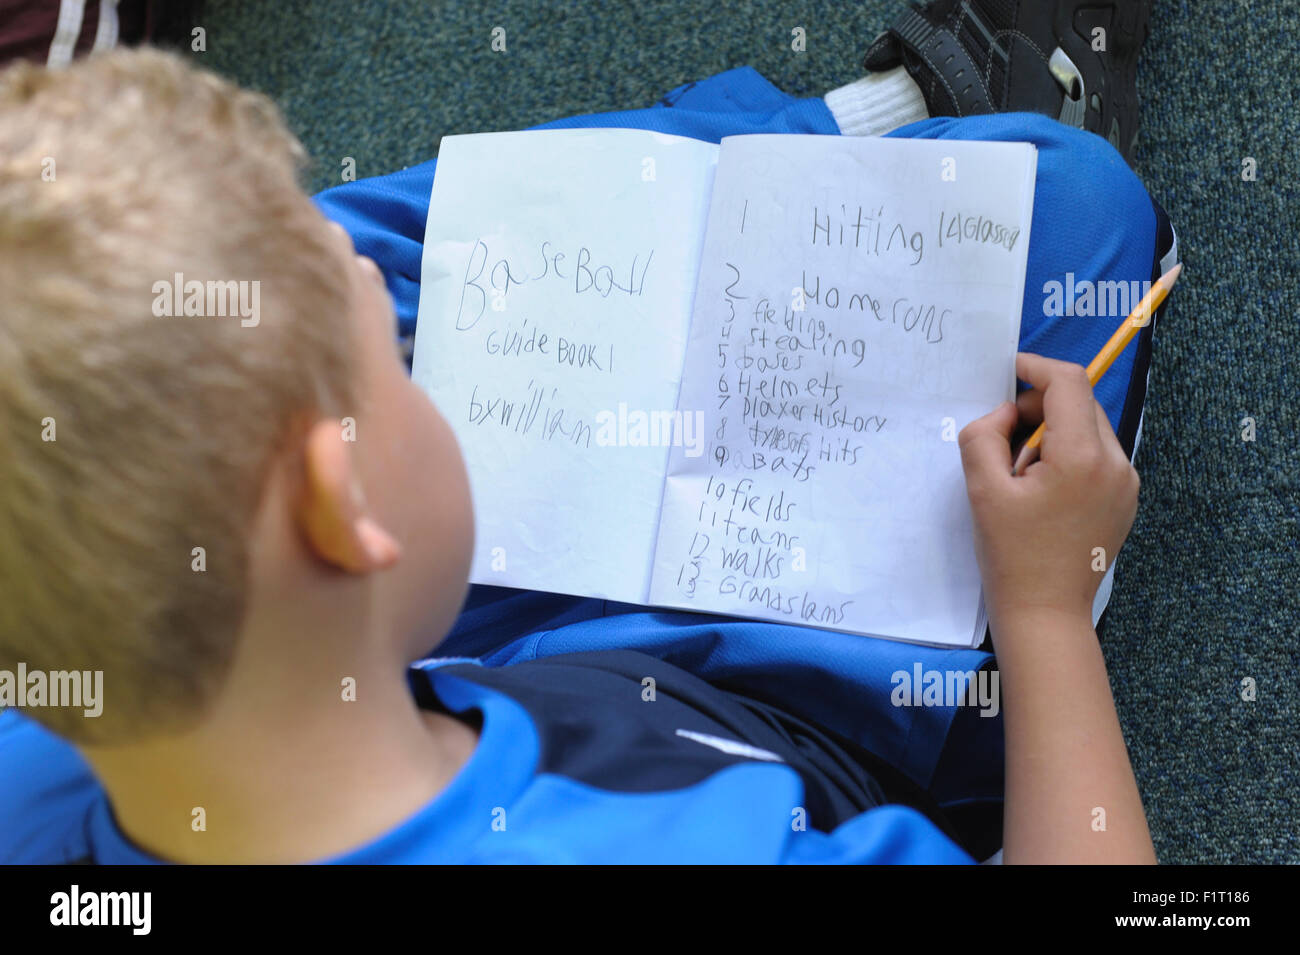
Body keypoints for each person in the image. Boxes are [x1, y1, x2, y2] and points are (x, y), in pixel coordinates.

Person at [0, 0, 1175, 864]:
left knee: (266, 260)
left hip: (401, 666)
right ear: (332, 502)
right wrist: (1042, 612)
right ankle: (818, 145)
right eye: (395, 380)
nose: (421, 381)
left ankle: (828, 139)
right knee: (1078, 207)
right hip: (775, 734)